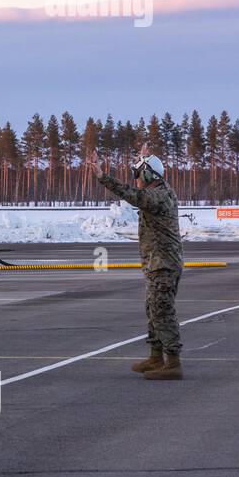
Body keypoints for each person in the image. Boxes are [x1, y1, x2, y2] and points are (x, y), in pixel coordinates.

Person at [92, 145, 185, 380]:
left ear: (148, 176)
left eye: (138, 174)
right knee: (153, 310)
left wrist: (104, 178)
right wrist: (143, 160)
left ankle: (172, 362)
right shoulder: (160, 191)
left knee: (163, 312)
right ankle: (156, 357)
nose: (135, 179)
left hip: (163, 264)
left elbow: (132, 195)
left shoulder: (157, 196)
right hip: (157, 263)